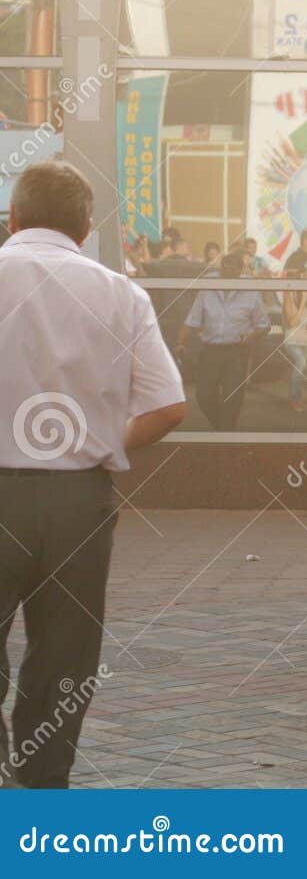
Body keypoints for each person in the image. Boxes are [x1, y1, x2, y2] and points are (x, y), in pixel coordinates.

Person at [0, 160, 186, 787]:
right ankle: (43, 784)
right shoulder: (120, 293)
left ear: (13, 217)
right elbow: (168, 406)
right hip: (79, 503)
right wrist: (104, 445)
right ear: (84, 228)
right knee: (66, 657)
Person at [180, 251, 268, 430]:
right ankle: (221, 426)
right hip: (210, 350)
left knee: (232, 397)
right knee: (204, 396)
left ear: (240, 270)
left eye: (232, 270)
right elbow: (192, 319)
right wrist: (180, 342)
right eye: (224, 269)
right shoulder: (209, 283)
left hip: (236, 352)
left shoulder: (250, 289)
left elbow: (264, 325)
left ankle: (226, 433)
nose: (227, 273)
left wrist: (249, 337)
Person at [279, 271, 307, 412]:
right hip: (291, 341)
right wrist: (302, 303)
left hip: (306, 342)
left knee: (300, 371)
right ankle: (294, 400)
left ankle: (298, 399)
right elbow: (292, 322)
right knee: (300, 365)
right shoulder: (289, 298)